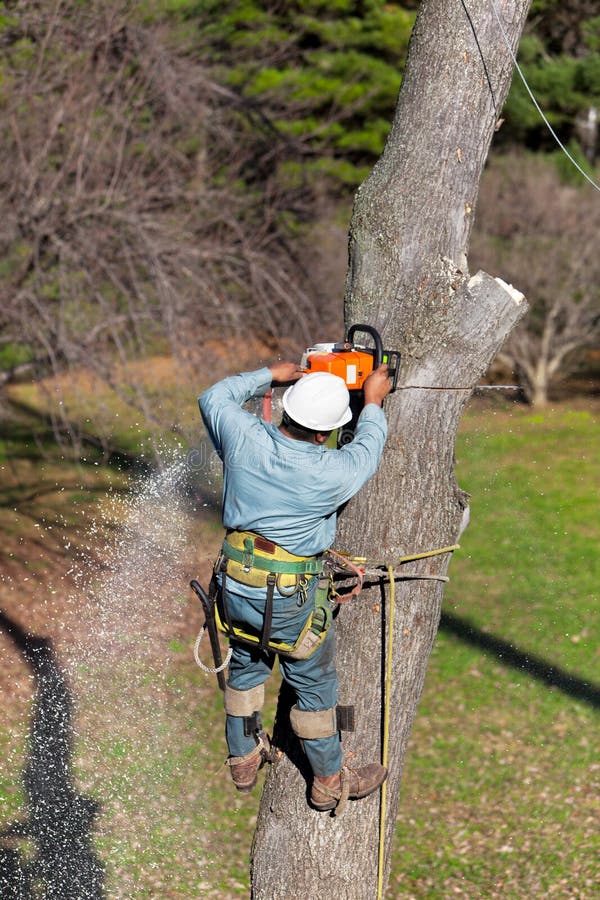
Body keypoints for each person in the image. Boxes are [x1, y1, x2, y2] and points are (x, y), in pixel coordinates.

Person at [199, 360, 391, 813]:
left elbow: (213, 397)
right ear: (326, 433)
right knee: (314, 687)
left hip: (235, 584)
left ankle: (243, 755)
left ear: (287, 409)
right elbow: (369, 445)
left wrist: (270, 373)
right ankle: (327, 780)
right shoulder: (335, 473)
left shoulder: (243, 435)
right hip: (288, 598)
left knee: (246, 666)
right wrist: (375, 402)